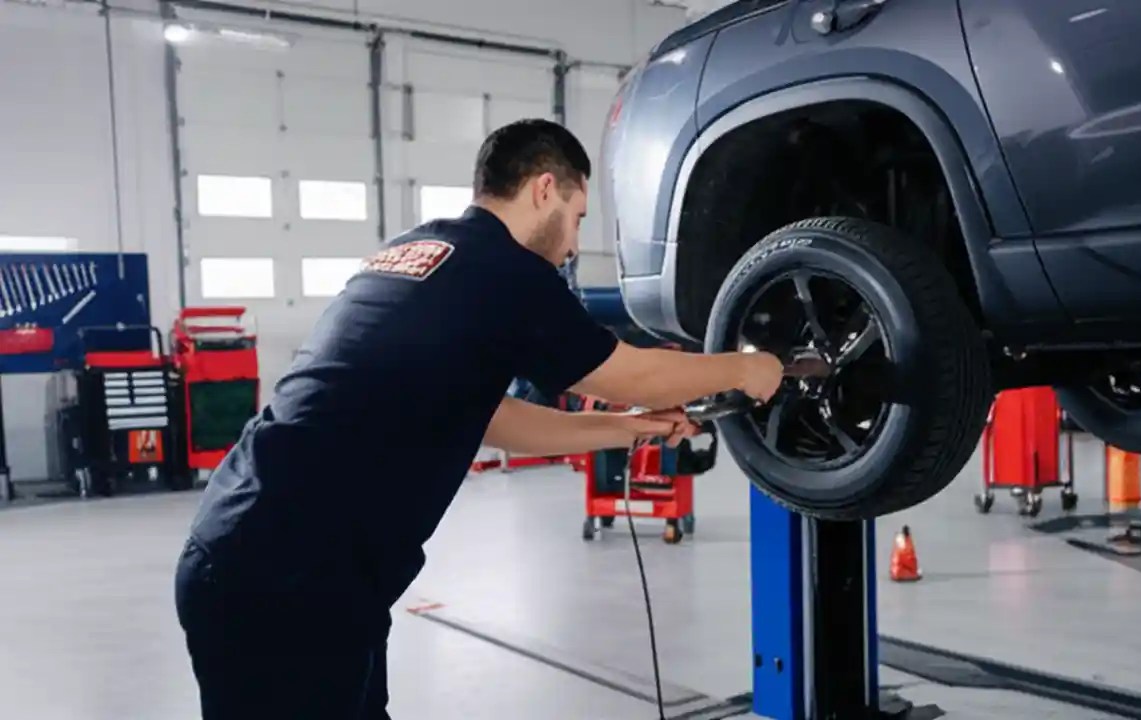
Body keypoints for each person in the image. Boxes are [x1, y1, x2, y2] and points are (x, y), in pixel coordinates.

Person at [173, 118, 784, 720]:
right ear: (545, 188)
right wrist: (743, 369)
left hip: (260, 553)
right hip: (290, 582)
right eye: (577, 218)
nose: (573, 245)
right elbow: (629, 373)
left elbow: (490, 417)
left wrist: (625, 428)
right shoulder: (506, 273)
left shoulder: (417, 252)